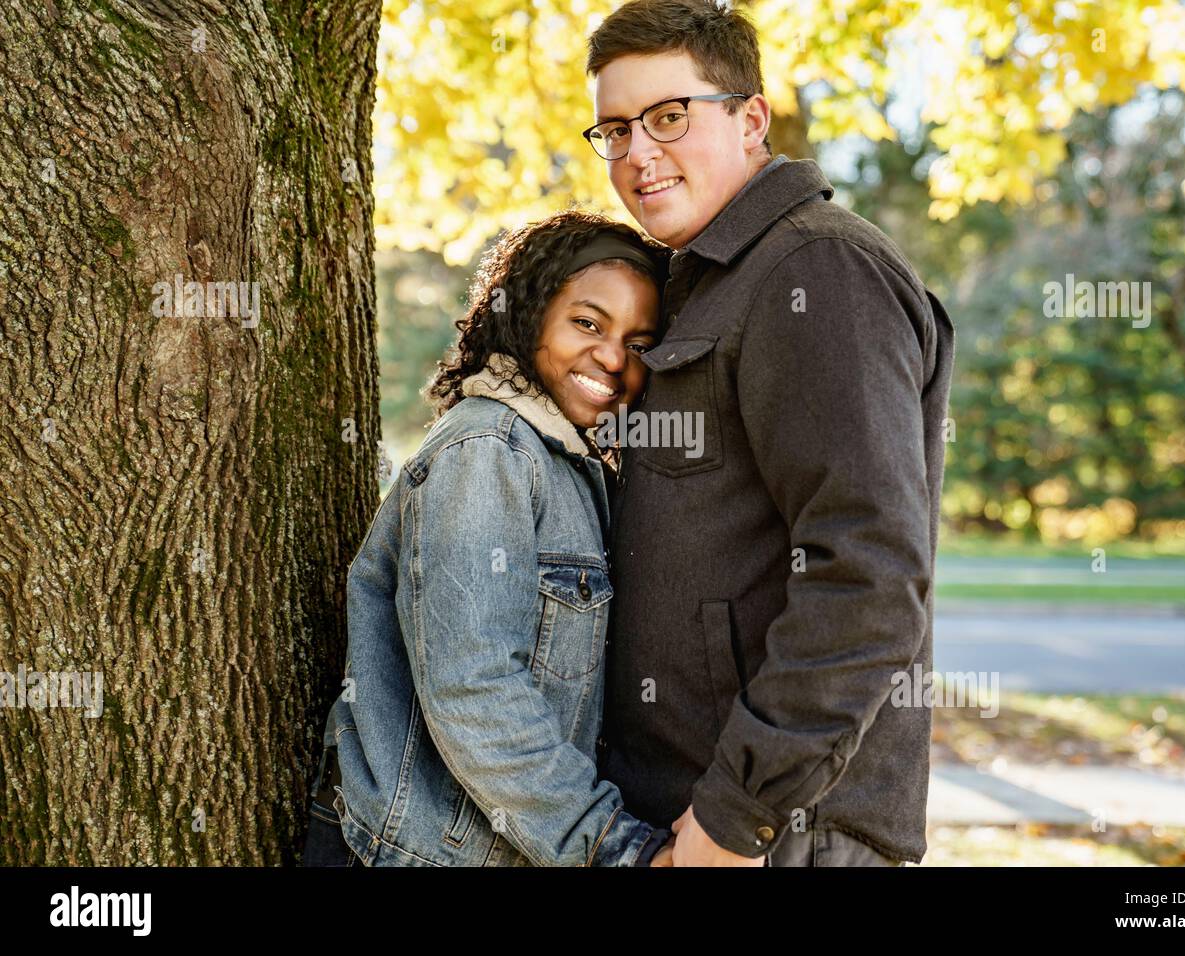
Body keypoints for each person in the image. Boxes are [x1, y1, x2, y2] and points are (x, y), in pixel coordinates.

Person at [584, 0, 956, 867]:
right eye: (614, 130)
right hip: (689, 821)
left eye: (669, 116)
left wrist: (738, 811)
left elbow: (867, 569)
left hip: (782, 836)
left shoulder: (815, 268)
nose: (638, 153)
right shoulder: (703, 280)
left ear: (751, 119)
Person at [302, 210, 676, 866]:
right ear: (530, 315)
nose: (614, 359)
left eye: (640, 343)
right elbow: (471, 684)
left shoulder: (576, 466)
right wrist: (614, 848)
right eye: (587, 323)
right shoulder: (489, 449)